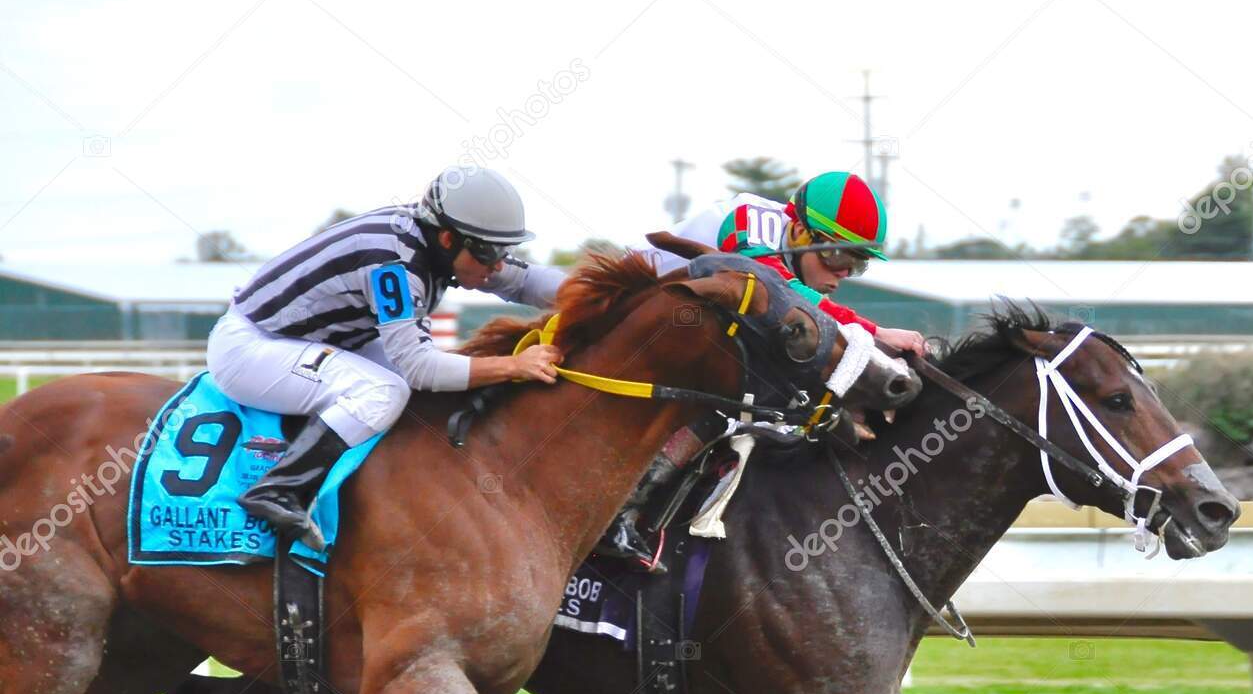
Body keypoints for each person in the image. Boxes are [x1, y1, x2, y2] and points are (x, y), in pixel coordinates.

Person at [208, 167, 566, 550]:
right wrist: (514, 365)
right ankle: (278, 490)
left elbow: (526, 282)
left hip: (322, 339)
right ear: (448, 238)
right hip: (253, 348)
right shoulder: (392, 263)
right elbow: (419, 366)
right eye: (490, 252)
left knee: (424, 385)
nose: (498, 265)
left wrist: (611, 294)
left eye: (503, 250)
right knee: (385, 391)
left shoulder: (441, 245)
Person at [601, 170, 924, 567]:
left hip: (674, 323)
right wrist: (874, 333)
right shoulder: (752, 220)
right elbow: (783, 294)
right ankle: (617, 513)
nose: (842, 273)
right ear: (802, 233)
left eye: (856, 265)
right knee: (719, 408)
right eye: (838, 256)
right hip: (612, 313)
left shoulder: (788, 240)